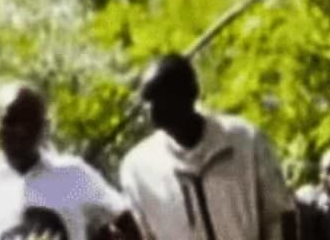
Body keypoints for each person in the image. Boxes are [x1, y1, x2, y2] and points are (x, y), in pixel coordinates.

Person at [119, 54, 297, 240]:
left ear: (191, 92)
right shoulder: (139, 169)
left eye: (161, 97)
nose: (151, 109)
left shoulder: (244, 141)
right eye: (147, 100)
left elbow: (280, 214)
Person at [0, 82, 140, 240]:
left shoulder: (74, 175)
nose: (21, 130)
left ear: (45, 126)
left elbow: (129, 224)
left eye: (30, 121)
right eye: (10, 120)